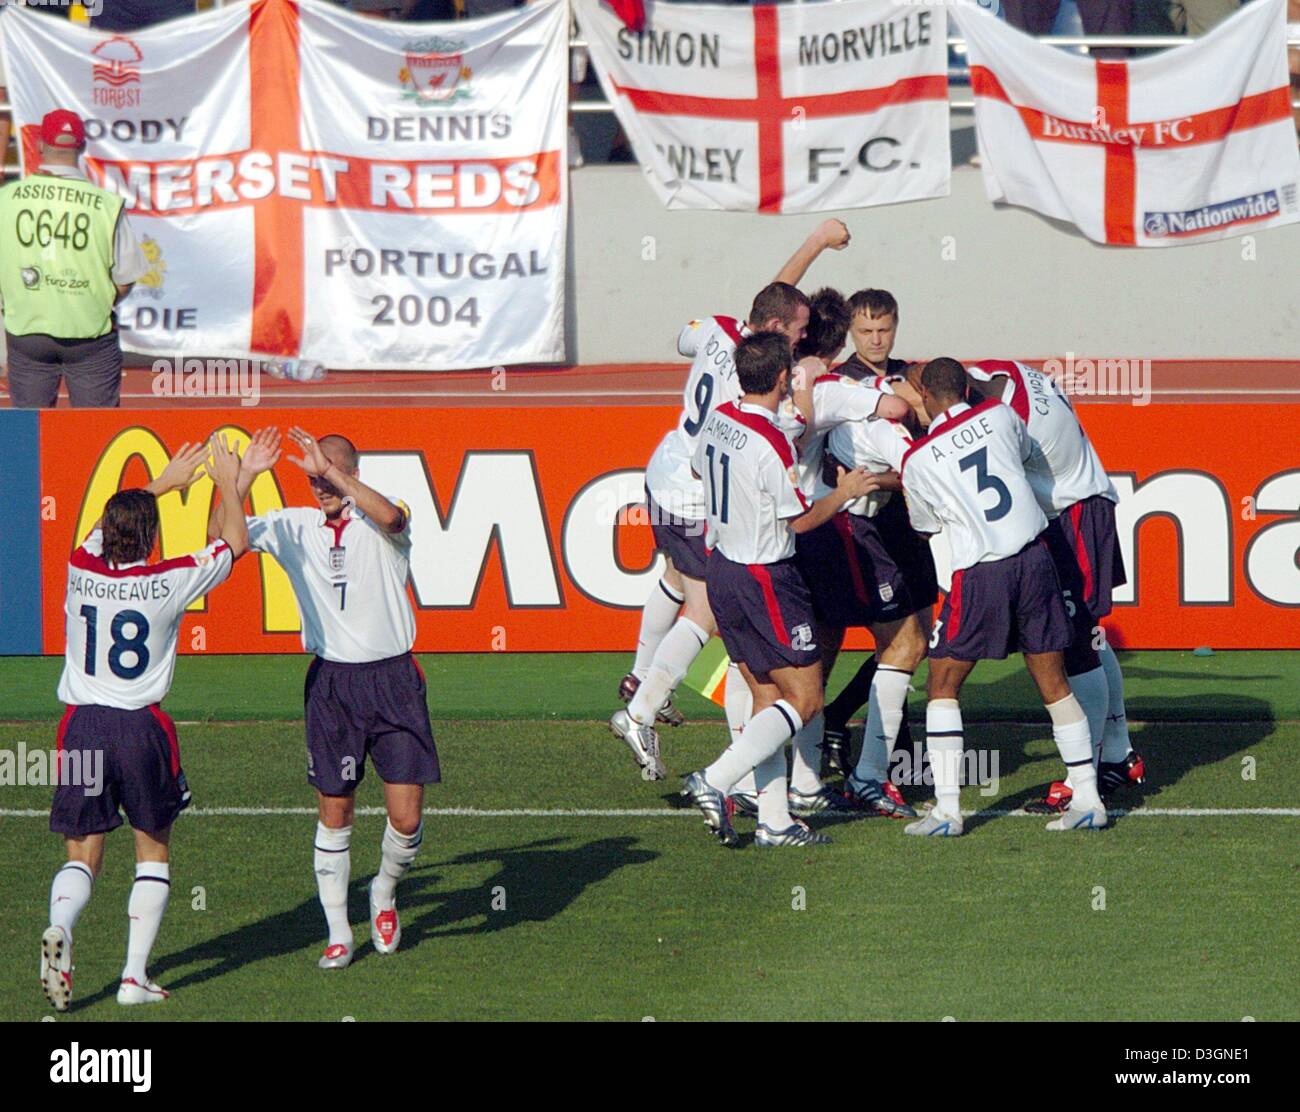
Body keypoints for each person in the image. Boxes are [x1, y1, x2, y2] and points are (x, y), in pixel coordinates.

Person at [611, 220, 850, 778]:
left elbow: (692, 333)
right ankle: (642, 706)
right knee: (709, 614)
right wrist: (808, 385)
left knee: (675, 582)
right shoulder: (767, 378)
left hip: (665, 470)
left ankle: (644, 675)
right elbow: (794, 427)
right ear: (773, 331)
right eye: (795, 335)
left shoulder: (719, 329)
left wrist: (814, 243)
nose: (799, 342)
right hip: (697, 497)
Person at [211, 427, 439, 970]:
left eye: (328, 473)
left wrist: (329, 468)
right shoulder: (293, 526)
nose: (320, 484)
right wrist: (237, 484)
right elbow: (226, 543)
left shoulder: (382, 520)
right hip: (334, 686)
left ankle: (382, 892)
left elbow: (393, 518)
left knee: (406, 818)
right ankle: (339, 930)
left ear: (351, 472)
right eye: (311, 476)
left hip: (394, 681)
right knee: (335, 811)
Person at [42, 436, 248, 1011]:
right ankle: (133, 978)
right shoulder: (171, 580)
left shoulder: (79, 567)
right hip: (140, 730)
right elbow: (236, 542)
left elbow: (110, 527)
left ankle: (62, 925)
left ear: (108, 530)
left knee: (80, 854)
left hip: (81, 726)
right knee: (151, 850)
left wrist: (161, 483)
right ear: (153, 537)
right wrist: (227, 480)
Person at [887, 358, 1108, 836]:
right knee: (1052, 679)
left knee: (942, 682)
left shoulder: (918, 459)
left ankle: (947, 811)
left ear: (924, 396)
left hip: (982, 572)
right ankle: (1088, 798)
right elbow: (1026, 458)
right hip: (1035, 558)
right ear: (967, 386)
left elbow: (926, 527)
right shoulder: (1002, 416)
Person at [680, 332, 878, 847]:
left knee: (767, 696)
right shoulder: (769, 442)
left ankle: (774, 820)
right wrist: (846, 492)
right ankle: (716, 780)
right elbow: (804, 519)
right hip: (765, 576)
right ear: (781, 378)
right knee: (806, 699)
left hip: (722, 567)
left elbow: (702, 468)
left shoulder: (719, 415)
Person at [965, 359, 1144, 812]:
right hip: (1082, 507)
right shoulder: (1003, 371)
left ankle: (1090, 772)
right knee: (1092, 636)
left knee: (1078, 645)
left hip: (1074, 515)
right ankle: (1119, 753)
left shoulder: (1015, 426)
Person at [0, 109, 148, 408]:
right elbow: (126, 276)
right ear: (81, 147)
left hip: (26, 331)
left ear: (40, 144)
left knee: (30, 435)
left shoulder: (7, 199)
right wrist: (94, 300)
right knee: (98, 437)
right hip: (89, 335)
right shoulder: (107, 205)